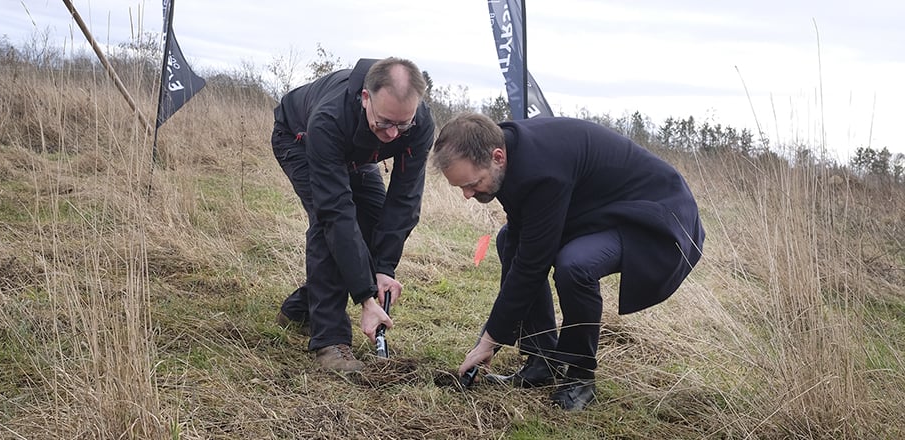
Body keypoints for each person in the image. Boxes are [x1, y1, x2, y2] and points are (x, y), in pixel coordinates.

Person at [431, 113, 704, 410]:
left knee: (576, 264)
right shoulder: (507, 154)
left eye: (472, 184)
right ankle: (543, 360)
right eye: (460, 187)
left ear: (497, 157)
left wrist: (490, 339)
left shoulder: (541, 169)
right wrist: (495, 332)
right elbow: (523, 241)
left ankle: (580, 377)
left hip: (655, 216)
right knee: (507, 239)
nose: (467, 195)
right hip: (602, 210)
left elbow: (532, 264)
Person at [271, 57, 434, 372]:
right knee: (328, 225)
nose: (392, 135)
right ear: (365, 98)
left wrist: (384, 268)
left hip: (360, 156)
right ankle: (330, 340)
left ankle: (298, 309)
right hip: (300, 141)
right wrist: (366, 299)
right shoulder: (329, 117)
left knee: (371, 228)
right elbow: (336, 213)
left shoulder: (420, 124)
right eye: (385, 122)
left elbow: (404, 200)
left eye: (403, 124)